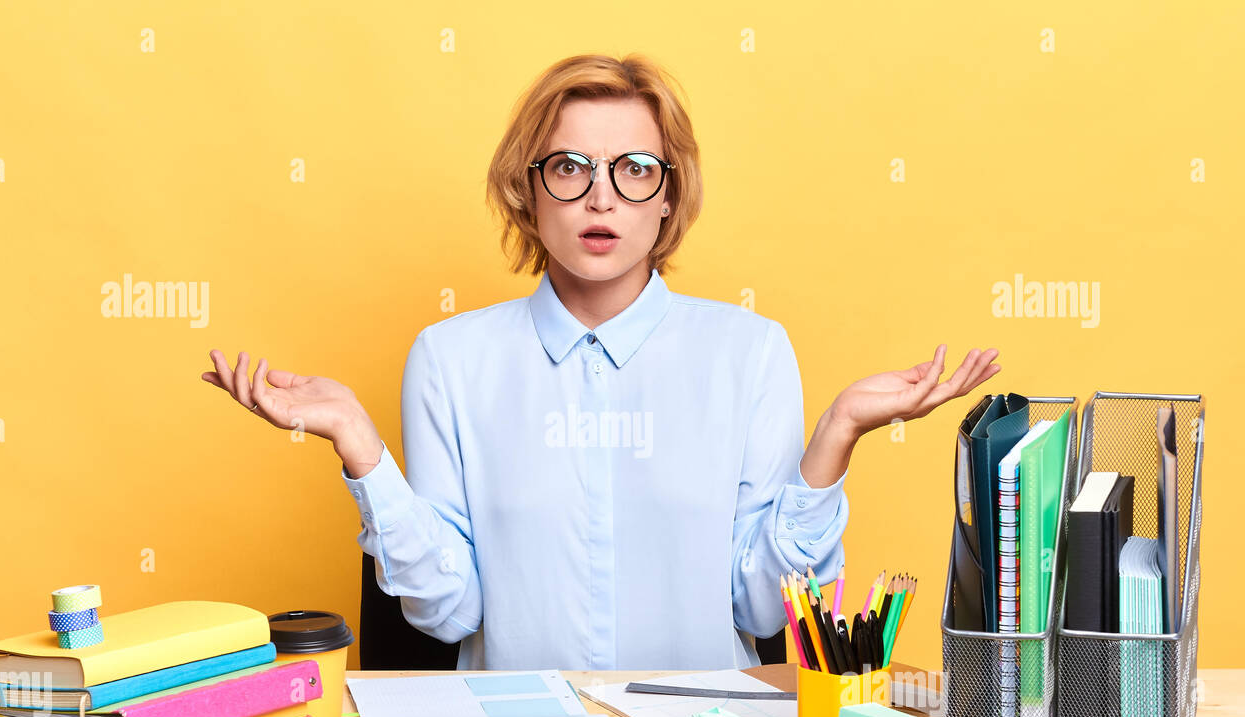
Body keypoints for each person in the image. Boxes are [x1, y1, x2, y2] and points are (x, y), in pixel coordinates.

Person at [202, 53, 999, 670]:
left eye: (635, 169)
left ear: (666, 196)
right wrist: (359, 447)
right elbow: (449, 613)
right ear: (530, 191)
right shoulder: (449, 360)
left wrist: (837, 435)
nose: (601, 197)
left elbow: (763, 612)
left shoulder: (751, 353)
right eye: (570, 167)